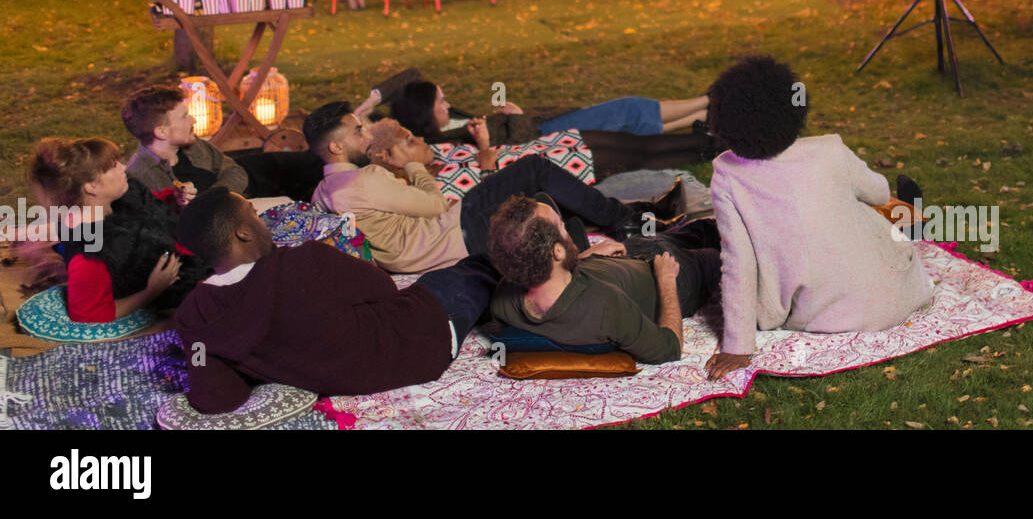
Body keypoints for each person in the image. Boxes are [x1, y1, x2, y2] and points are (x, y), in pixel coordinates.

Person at [702, 56, 934, 381]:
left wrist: (737, 346)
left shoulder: (728, 173)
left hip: (826, 314)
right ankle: (913, 217)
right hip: (900, 293)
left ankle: (912, 217)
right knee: (864, 208)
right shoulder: (830, 149)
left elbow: (738, 262)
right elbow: (880, 193)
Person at [175, 185, 500, 413]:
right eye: (254, 215)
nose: (264, 222)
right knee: (477, 269)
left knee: (448, 280)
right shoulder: (303, 261)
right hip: (424, 341)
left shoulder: (196, 317)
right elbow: (384, 288)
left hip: (367, 369)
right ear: (243, 233)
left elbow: (217, 398)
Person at [303, 102, 685, 275]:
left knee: (541, 203)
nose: (366, 134)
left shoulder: (323, 192)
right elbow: (436, 204)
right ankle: (629, 223)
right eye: (357, 131)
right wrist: (413, 165)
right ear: (336, 147)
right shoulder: (362, 180)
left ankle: (631, 224)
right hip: (452, 235)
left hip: (431, 247)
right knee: (534, 168)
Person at [485, 193, 722, 364]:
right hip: (673, 275)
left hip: (631, 252)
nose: (567, 229)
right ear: (557, 252)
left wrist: (586, 256)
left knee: (694, 232)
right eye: (561, 227)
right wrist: (667, 280)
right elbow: (669, 349)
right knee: (720, 247)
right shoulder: (604, 306)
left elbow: (552, 283)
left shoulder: (504, 298)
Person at [28, 137, 205, 322]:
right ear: (91, 186)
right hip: (185, 283)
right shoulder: (91, 253)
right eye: (113, 165)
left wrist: (174, 199)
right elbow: (88, 314)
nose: (123, 167)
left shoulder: (116, 199)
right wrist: (151, 291)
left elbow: (148, 208)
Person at [390, 79, 714, 179]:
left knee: (627, 112)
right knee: (627, 111)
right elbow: (512, 154)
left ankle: (704, 111)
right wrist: (514, 116)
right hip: (544, 138)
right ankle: (706, 105)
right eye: (440, 104)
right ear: (424, 117)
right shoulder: (442, 143)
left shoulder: (451, 122)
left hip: (542, 125)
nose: (447, 105)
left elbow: (406, 76)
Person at [121, 84, 249, 196]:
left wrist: (212, 199)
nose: (193, 120)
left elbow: (235, 172)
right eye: (184, 117)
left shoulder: (192, 145)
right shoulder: (142, 176)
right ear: (162, 132)